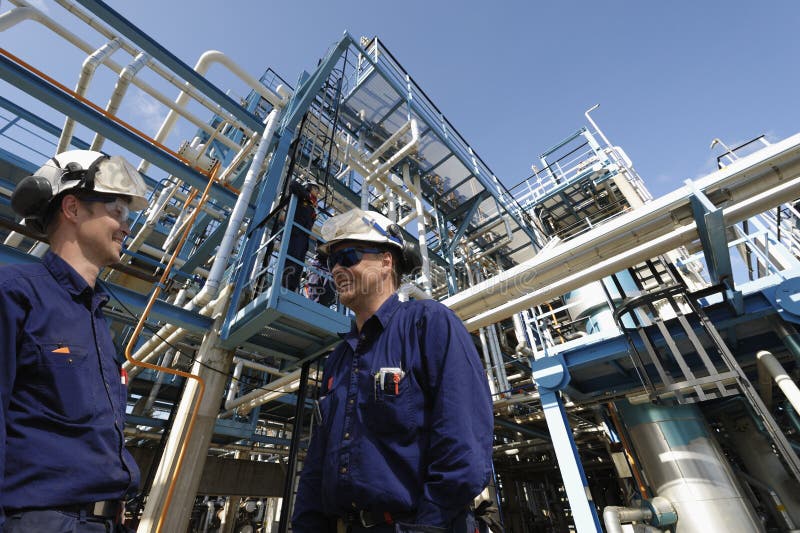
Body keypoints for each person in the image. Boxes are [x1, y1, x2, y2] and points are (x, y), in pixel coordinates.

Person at [292, 209, 496, 533]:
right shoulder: (338, 359)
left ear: (386, 261)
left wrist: (426, 526)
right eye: (331, 262)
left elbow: (463, 447)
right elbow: (317, 463)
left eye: (347, 256)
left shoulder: (428, 324)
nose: (337, 269)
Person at [0, 150, 149, 532]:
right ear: (72, 208)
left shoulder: (95, 319)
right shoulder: (15, 293)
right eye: (117, 211)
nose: (126, 226)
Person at [281, 178, 320, 292]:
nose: (317, 192)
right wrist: (308, 196)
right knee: (291, 260)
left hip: (303, 238)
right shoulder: (302, 197)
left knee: (299, 264)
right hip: (295, 234)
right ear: (309, 187)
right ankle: (285, 286)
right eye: (316, 189)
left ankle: (293, 288)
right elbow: (293, 184)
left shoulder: (311, 206)